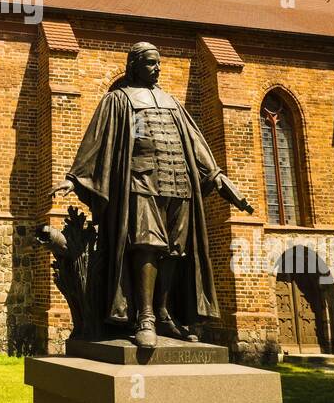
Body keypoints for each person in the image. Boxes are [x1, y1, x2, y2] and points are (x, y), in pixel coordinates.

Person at [54, 42, 252, 349]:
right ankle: (144, 316)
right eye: (149, 63)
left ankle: (162, 312)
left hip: (179, 185)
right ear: (133, 65)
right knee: (146, 244)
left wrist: (218, 176)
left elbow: (196, 144)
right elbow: (96, 139)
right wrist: (75, 177)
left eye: (158, 63)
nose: (156, 68)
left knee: (175, 249)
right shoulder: (117, 100)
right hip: (140, 181)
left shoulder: (171, 102)